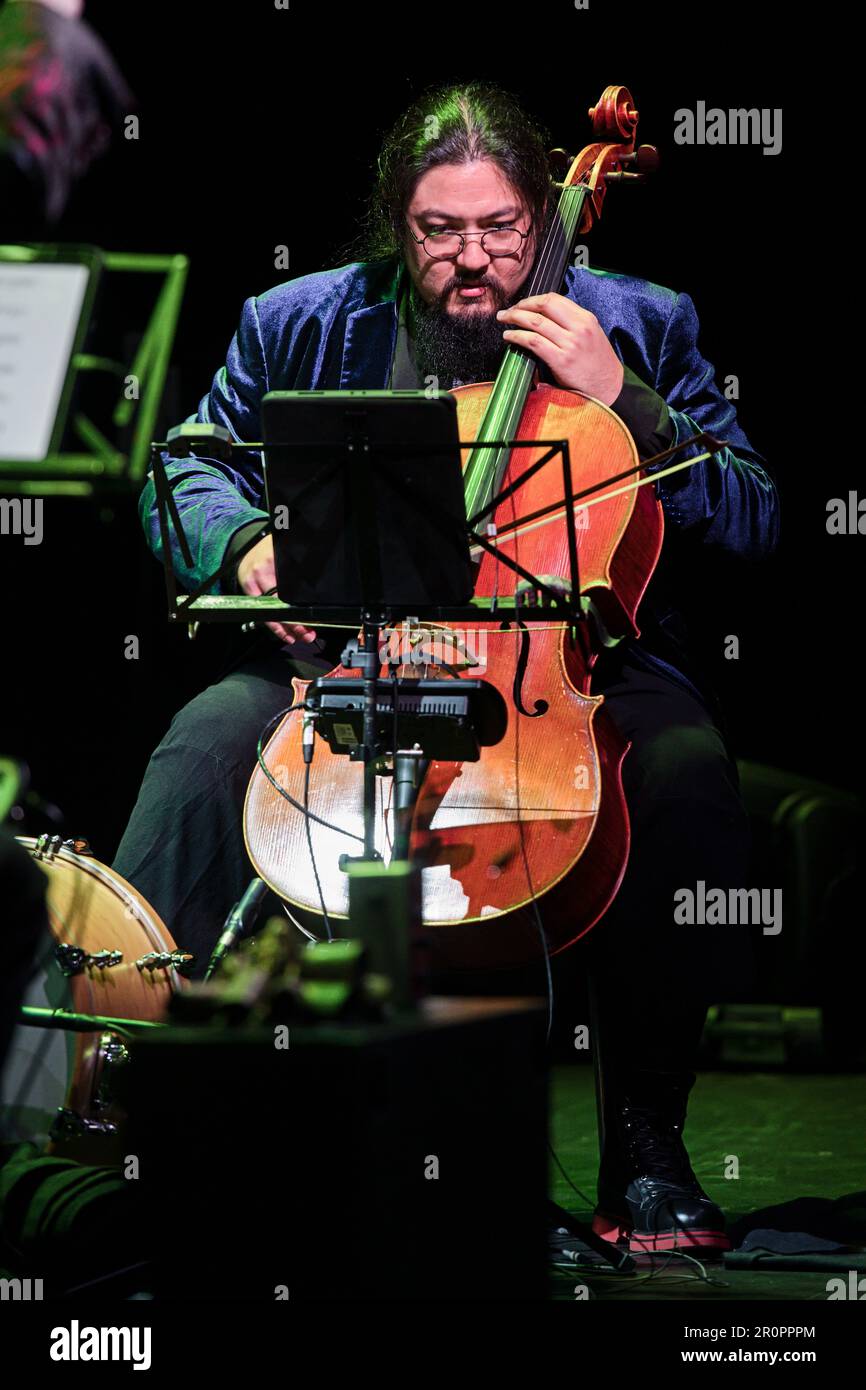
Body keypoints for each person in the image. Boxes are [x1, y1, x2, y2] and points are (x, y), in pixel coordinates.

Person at [112, 83, 779, 1256]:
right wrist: (243, 542)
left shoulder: (642, 318)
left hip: (574, 658)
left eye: (501, 231)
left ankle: (646, 1142)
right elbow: (183, 465)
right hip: (350, 649)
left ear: (541, 217)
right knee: (206, 744)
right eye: (438, 232)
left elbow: (753, 515)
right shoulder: (301, 320)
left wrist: (626, 397)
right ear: (396, 224)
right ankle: (123, 1093)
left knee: (679, 771)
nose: (472, 261)